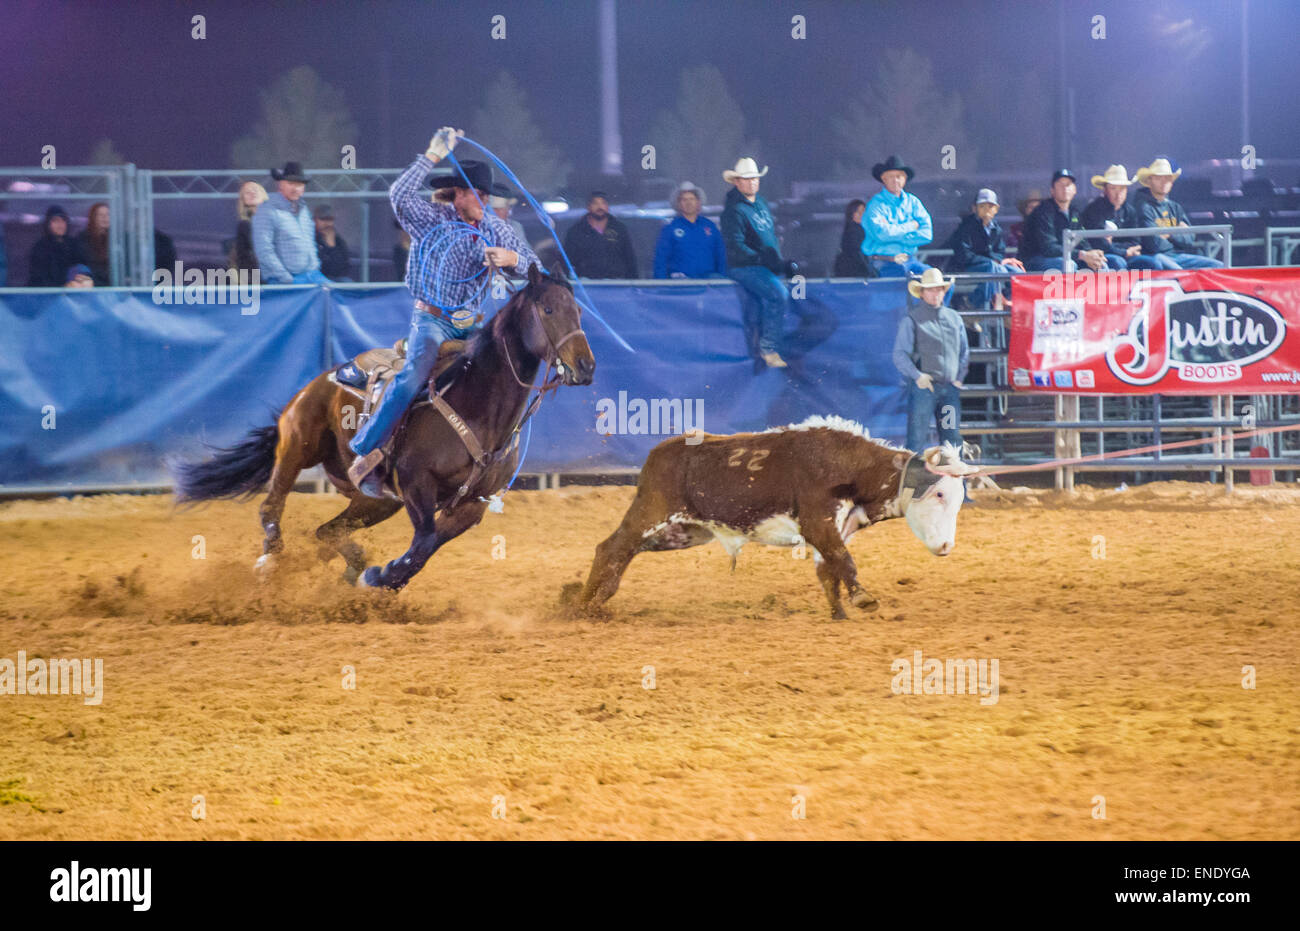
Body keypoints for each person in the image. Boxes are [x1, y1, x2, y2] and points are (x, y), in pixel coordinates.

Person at [346, 127, 540, 497]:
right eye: (474, 193)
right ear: (460, 194)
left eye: (483, 195)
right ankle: (367, 448)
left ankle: (485, 460)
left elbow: (536, 268)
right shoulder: (431, 219)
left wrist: (512, 257)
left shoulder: (496, 229)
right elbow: (398, 195)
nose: (480, 200)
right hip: (432, 319)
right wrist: (432, 154)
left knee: (505, 374)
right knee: (415, 372)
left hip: (470, 324)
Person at [721, 156, 798, 369]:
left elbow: (770, 238)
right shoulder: (733, 211)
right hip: (744, 267)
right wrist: (761, 258)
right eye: (746, 179)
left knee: (762, 304)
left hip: (761, 265)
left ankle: (760, 349)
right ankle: (768, 349)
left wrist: (778, 263)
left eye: (754, 178)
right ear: (737, 182)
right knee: (778, 295)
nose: (752, 182)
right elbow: (735, 245)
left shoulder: (761, 204)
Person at [893, 266, 969, 454]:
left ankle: (956, 483)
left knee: (952, 439)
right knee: (916, 439)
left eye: (938, 289)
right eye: (931, 289)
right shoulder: (912, 320)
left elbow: (964, 351)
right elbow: (899, 354)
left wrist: (959, 376)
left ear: (943, 292)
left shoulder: (954, 319)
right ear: (922, 293)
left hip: (948, 388)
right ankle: (911, 483)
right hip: (924, 389)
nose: (935, 294)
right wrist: (918, 376)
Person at [1020, 169, 1123, 272]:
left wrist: (1092, 253)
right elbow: (1049, 249)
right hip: (1036, 259)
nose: (1065, 188)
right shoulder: (1043, 212)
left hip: (1068, 256)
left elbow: (1082, 239)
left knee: (1107, 262)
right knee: (1068, 265)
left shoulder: (1075, 212)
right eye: (1060, 185)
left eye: (1068, 184)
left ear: (1075, 190)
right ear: (1052, 190)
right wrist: (1082, 254)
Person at [1129, 157, 1223, 269]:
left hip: (1179, 256)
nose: (1164, 182)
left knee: (1219, 266)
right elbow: (1154, 244)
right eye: (1159, 178)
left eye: (1168, 178)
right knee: (1178, 270)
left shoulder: (1175, 207)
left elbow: (1190, 239)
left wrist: (1169, 234)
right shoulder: (1143, 207)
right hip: (1154, 257)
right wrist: (1177, 232)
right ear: (1149, 181)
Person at [942, 188, 1023, 308]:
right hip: (965, 268)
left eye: (990, 206)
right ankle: (972, 305)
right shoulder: (966, 227)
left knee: (1017, 273)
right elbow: (964, 255)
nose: (987, 210)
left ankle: (1011, 303)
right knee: (993, 269)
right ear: (975, 208)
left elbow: (1000, 251)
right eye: (982, 206)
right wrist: (990, 261)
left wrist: (994, 261)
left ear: (996, 209)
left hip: (990, 267)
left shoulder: (997, 229)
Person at [251, 162, 327, 284]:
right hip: (285, 280)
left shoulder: (304, 210)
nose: (295, 188)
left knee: (340, 294)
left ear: (303, 188)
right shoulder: (267, 209)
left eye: (299, 184)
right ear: (280, 184)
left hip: (312, 275)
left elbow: (310, 241)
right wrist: (286, 278)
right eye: (290, 183)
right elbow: (263, 249)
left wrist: (315, 266)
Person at [861, 155, 932, 277]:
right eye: (891, 176)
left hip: (911, 262)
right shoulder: (875, 204)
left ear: (905, 179)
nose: (895, 180)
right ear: (883, 179)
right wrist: (911, 226)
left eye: (899, 176)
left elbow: (927, 235)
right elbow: (881, 235)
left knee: (938, 281)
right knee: (898, 287)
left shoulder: (913, 202)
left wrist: (892, 232)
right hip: (884, 263)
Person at [1079, 165, 1161, 271]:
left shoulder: (1130, 210)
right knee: (1117, 262)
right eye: (1113, 188)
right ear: (1105, 189)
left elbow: (1135, 241)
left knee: (1153, 264)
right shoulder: (1094, 210)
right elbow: (1098, 243)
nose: (1118, 194)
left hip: (1127, 255)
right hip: (1102, 256)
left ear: (1126, 190)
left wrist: (1116, 246)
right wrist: (1125, 251)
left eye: (1122, 188)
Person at [653, 181, 726, 278]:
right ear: (678, 204)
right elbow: (660, 260)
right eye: (684, 200)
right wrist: (660, 285)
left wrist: (723, 281)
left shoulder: (710, 227)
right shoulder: (670, 229)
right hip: (681, 285)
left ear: (698, 202)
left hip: (709, 284)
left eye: (692, 199)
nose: (689, 203)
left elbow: (721, 255)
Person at [562, 191, 637, 278]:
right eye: (595, 203)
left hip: (616, 283)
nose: (600, 207)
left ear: (608, 207)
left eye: (603, 203)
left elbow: (629, 258)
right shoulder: (575, 231)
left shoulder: (619, 229)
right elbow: (567, 260)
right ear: (588, 207)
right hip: (586, 284)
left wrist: (634, 284)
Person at [28, 205, 78, 287]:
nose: (60, 224)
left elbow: (80, 267)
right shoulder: (40, 247)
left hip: (70, 295)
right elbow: (39, 277)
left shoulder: (73, 245)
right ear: (48, 224)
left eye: (63, 220)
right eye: (56, 221)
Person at [229, 180, 267, 272]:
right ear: (243, 200)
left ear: (263, 194)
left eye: (255, 189)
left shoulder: (278, 218)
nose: (252, 193)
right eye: (247, 192)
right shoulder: (245, 225)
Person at [832, 199, 875, 278]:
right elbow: (858, 254)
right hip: (852, 271)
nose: (862, 214)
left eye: (864, 212)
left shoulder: (855, 229)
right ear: (852, 214)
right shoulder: (855, 231)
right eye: (858, 212)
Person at [73, 202, 111, 286]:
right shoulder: (83, 239)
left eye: (107, 214)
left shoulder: (116, 239)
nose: (105, 218)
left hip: (113, 286)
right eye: (100, 215)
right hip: (91, 286)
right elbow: (83, 265)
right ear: (93, 218)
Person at [313, 203, 351, 280]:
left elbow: (342, 269)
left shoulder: (338, 240)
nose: (327, 224)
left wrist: (331, 246)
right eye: (323, 219)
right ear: (314, 220)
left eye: (330, 220)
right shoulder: (310, 238)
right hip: (315, 279)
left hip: (334, 280)